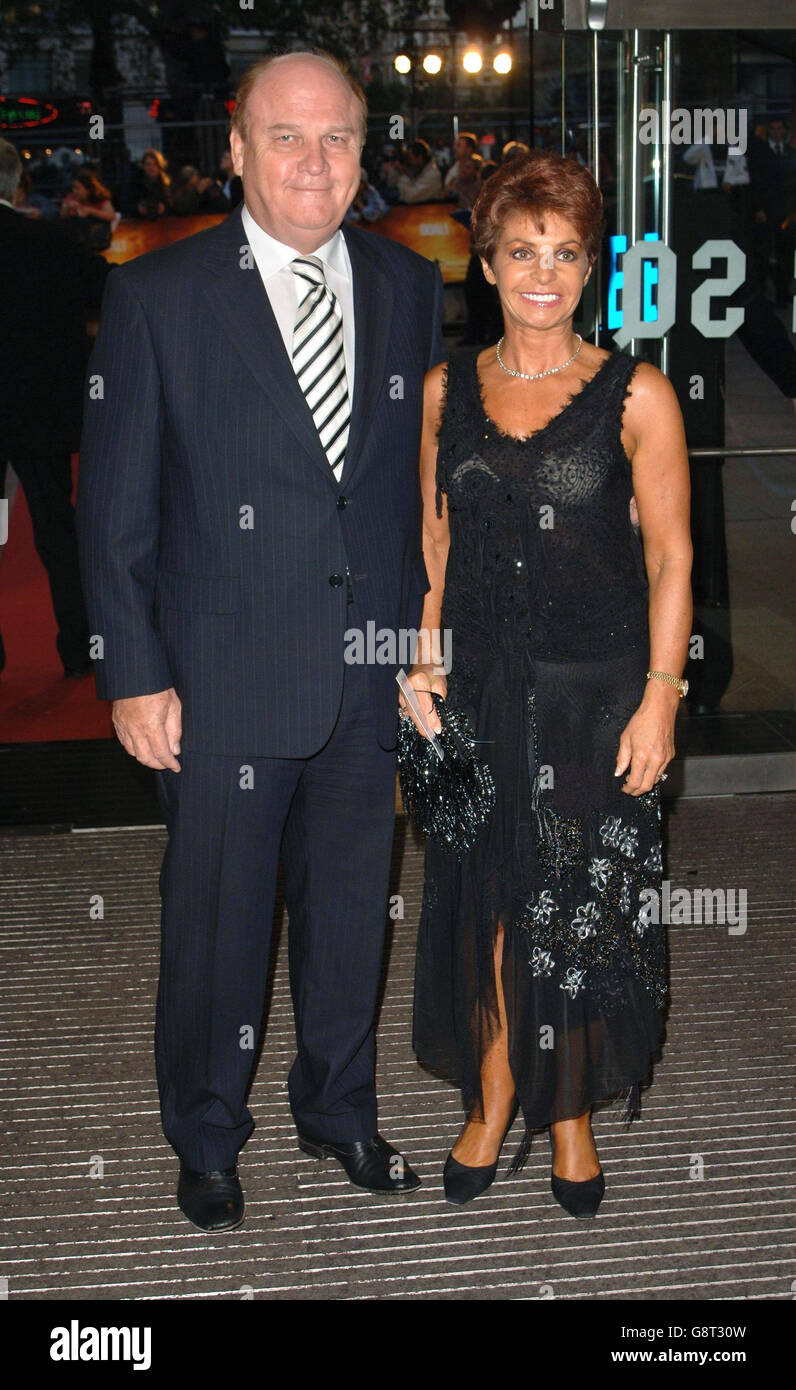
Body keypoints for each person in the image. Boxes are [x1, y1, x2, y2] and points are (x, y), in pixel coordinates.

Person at [76, 50, 445, 1232]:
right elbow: (114, 504)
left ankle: (338, 1109)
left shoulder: (405, 285)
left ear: (364, 150)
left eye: (336, 137)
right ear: (234, 148)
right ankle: (206, 1132)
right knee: (218, 924)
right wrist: (132, 671)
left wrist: (416, 648)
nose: (313, 161)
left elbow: (403, 498)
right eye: (286, 136)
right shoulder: (161, 295)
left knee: (350, 915)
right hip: (222, 675)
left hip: (365, 674)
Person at [402, 150, 693, 1217]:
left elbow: (670, 559)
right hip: (478, 692)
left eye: (566, 253)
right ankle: (490, 1094)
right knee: (482, 905)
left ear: (590, 270)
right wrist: (419, 659)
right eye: (521, 250)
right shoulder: (445, 392)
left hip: (595, 691)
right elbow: (432, 546)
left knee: (572, 912)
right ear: (483, 262)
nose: (543, 272)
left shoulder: (636, 392)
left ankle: (566, 1114)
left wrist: (661, 696)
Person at [0, 138, 111, 679]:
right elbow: (115, 289)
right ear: (15, 185)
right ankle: (78, 647)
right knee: (54, 530)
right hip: (37, 416)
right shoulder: (50, 240)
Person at [59, 168, 117, 250]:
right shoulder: (71, 198)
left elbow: (111, 216)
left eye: (77, 188)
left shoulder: (100, 198)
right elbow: (62, 216)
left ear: (88, 190)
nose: (74, 191)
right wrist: (68, 207)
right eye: (73, 188)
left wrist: (90, 211)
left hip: (97, 240)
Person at [386, 139, 443, 204]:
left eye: (409, 158)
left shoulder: (433, 175)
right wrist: (395, 170)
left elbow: (410, 198)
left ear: (419, 158)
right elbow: (391, 184)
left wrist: (402, 174)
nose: (408, 162)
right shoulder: (419, 170)